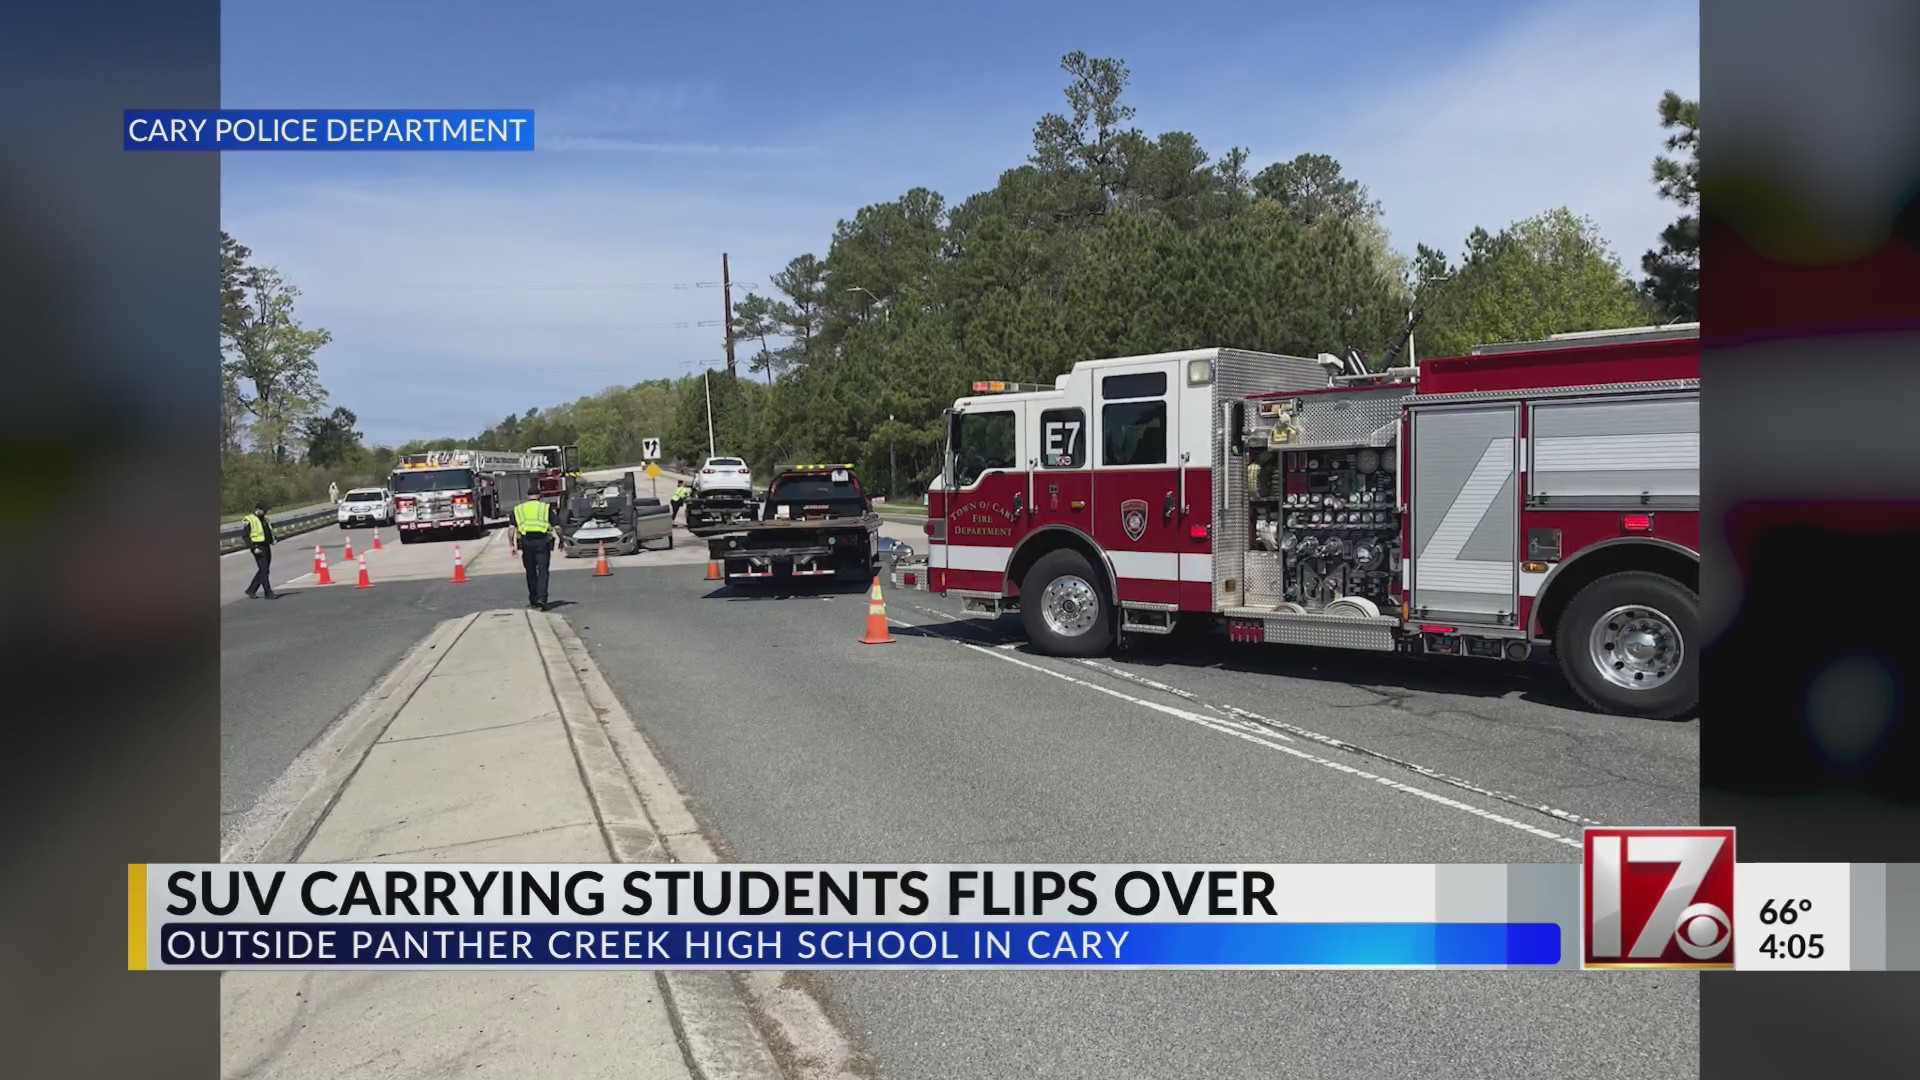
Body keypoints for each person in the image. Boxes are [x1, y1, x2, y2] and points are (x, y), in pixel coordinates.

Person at [511, 495, 557, 611]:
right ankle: (542, 599)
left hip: (526, 543)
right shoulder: (545, 508)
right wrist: (561, 539)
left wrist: (512, 544)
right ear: (540, 496)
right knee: (543, 571)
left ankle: (533, 599)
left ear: (527, 496)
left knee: (530, 571)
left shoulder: (519, 509)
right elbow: (557, 526)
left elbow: (511, 528)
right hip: (542, 542)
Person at [241, 501, 277, 600]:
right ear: (258, 510)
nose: (266, 512)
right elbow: (245, 536)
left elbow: (268, 531)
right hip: (257, 547)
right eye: (264, 510)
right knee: (264, 570)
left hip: (266, 545)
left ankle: (251, 590)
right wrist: (253, 548)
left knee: (264, 570)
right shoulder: (250, 519)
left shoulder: (265, 519)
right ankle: (268, 593)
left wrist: (273, 539)